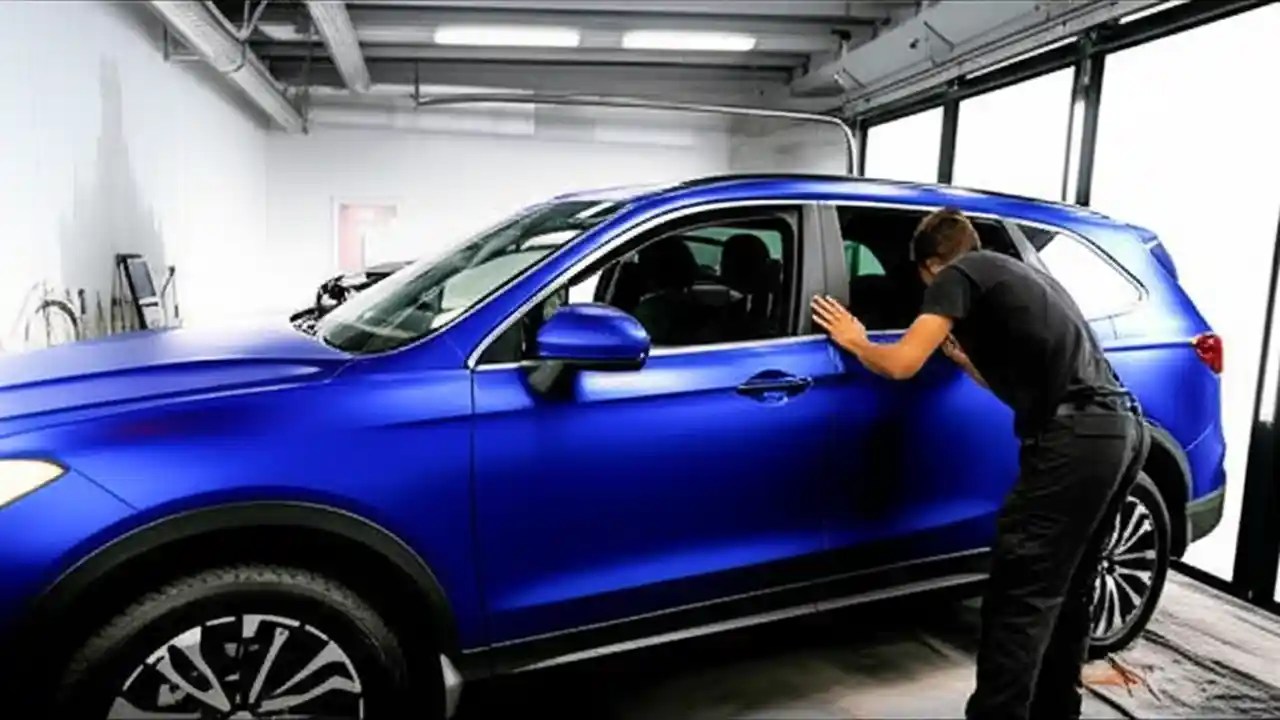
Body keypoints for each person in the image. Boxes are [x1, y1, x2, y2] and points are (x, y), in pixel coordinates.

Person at [811, 208, 1148, 720]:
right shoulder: (1017, 273)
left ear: (929, 265)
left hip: (1076, 440)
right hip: (1119, 431)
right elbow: (1026, 385)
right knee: (1070, 588)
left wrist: (856, 339)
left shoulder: (957, 275)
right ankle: (1058, 711)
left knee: (1020, 598)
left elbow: (902, 364)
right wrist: (969, 362)